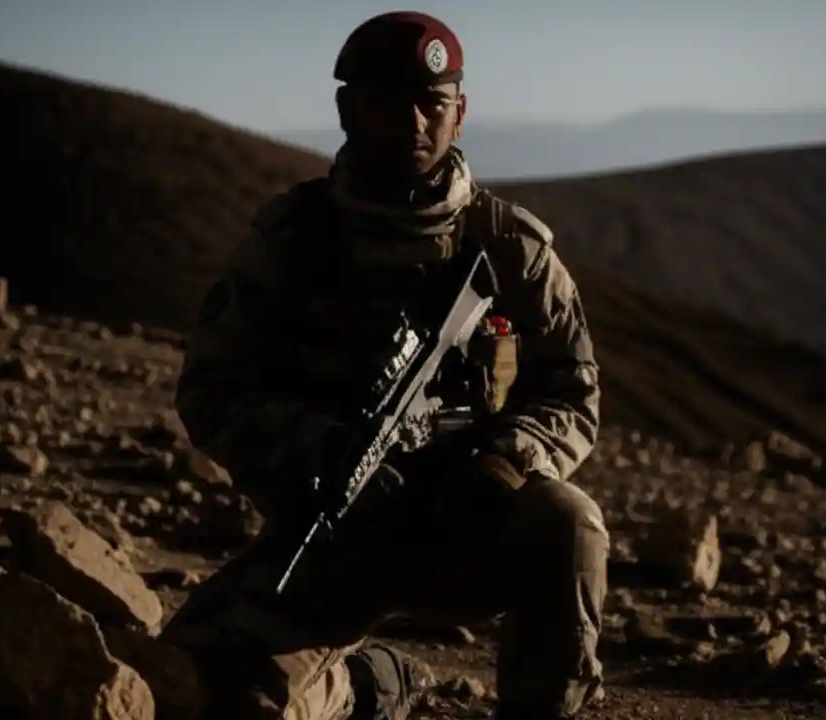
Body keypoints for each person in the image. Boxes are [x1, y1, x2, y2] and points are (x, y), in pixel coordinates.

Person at [161, 11, 609, 720]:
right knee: (209, 687)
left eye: (433, 104)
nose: (413, 122)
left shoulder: (509, 247)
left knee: (569, 523)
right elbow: (212, 390)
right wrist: (318, 445)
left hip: (470, 528)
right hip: (334, 531)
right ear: (347, 110)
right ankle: (367, 685)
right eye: (387, 101)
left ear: (460, 114)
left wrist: (504, 461)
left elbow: (574, 393)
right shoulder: (294, 238)